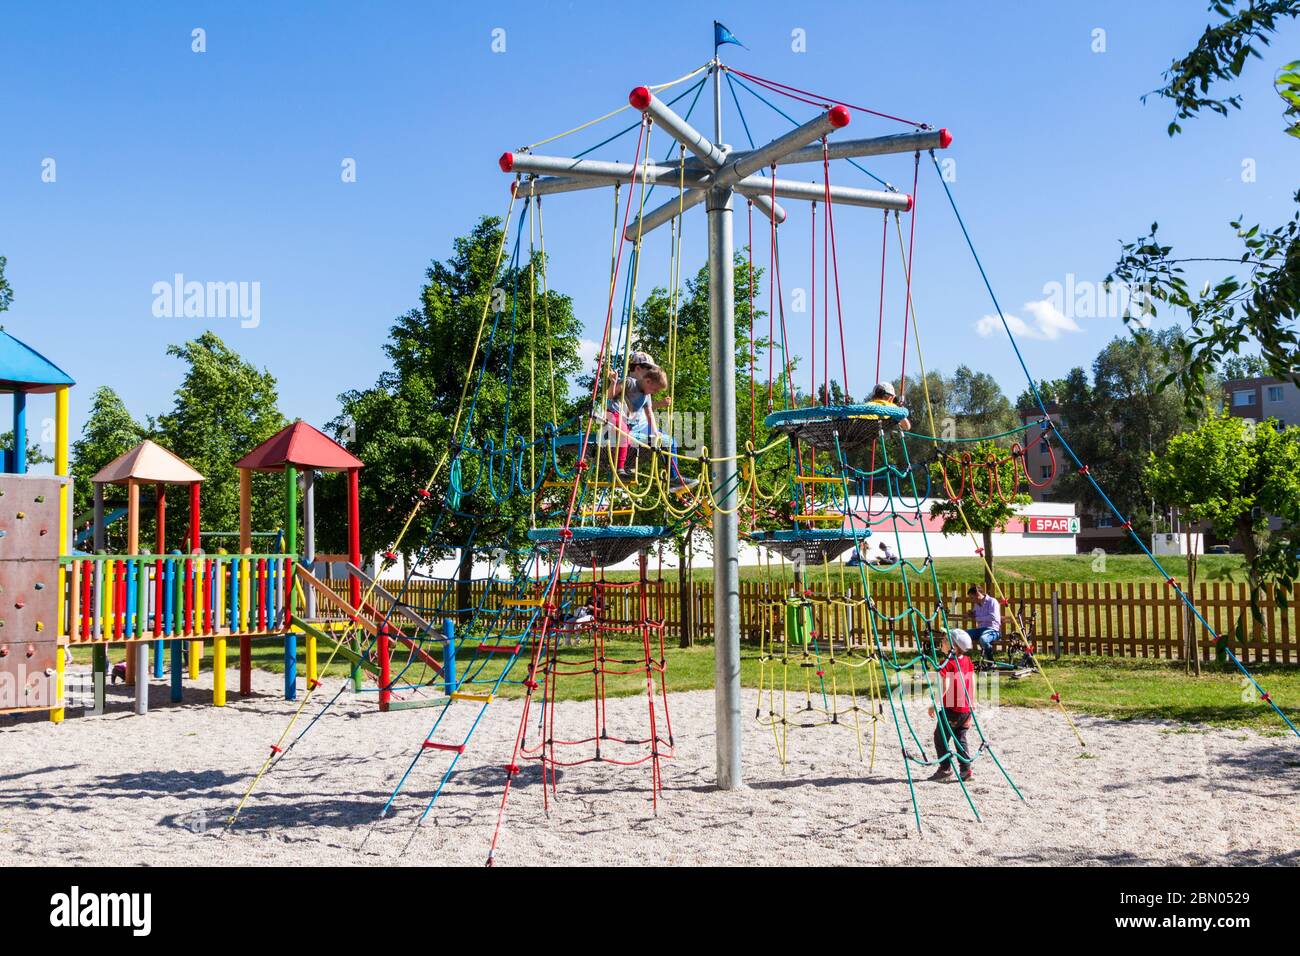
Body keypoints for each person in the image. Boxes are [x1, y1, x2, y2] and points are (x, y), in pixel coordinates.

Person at [927, 628, 975, 782]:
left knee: (940, 738)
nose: (942, 642)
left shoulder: (947, 663)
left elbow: (945, 684)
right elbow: (972, 679)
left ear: (953, 646)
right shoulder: (967, 661)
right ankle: (966, 770)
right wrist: (972, 702)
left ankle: (945, 768)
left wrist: (935, 702)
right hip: (965, 709)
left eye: (945, 640)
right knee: (960, 737)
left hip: (951, 710)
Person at [964, 583, 1002, 662]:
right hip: (981, 630)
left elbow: (993, 617)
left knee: (983, 639)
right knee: (962, 635)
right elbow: (975, 614)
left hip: (993, 630)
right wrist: (970, 614)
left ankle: (990, 661)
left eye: (972, 597)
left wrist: (977, 618)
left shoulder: (992, 601)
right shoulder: (976, 604)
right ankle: (962, 661)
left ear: (978, 594)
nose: (971, 600)